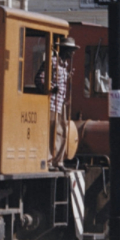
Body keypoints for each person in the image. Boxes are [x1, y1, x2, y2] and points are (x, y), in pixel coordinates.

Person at [38, 37, 78, 168]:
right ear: (65, 51)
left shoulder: (64, 65)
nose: (72, 54)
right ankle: (50, 160)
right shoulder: (52, 62)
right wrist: (50, 88)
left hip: (61, 104)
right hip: (52, 103)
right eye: (71, 51)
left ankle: (59, 160)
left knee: (62, 131)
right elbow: (39, 78)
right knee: (53, 131)